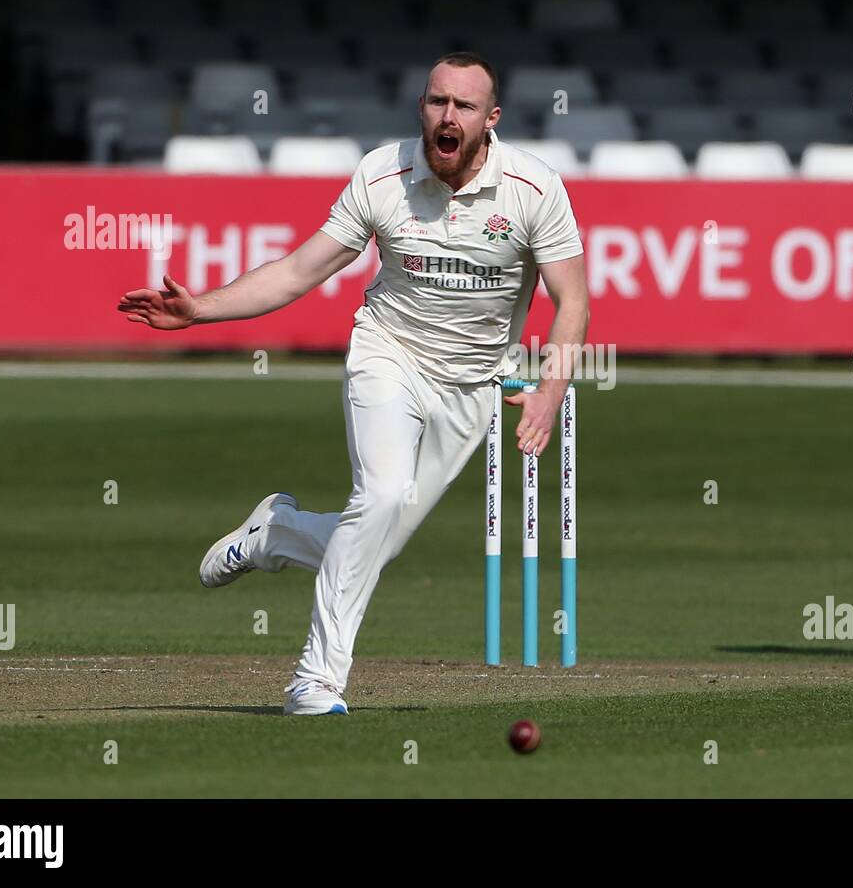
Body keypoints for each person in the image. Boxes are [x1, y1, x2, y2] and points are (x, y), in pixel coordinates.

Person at [118, 52, 589, 713]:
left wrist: (550, 390)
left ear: (491, 119)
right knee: (384, 494)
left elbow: (573, 300)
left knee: (378, 540)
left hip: (472, 387)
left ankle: (277, 533)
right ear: (422, 108)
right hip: (387, 354)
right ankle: (315, 681)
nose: (447, 117)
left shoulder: (534, 189)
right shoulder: (383, 173)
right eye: (436, 102)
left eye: (464, 106)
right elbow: (296, 272)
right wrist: (200, 309)